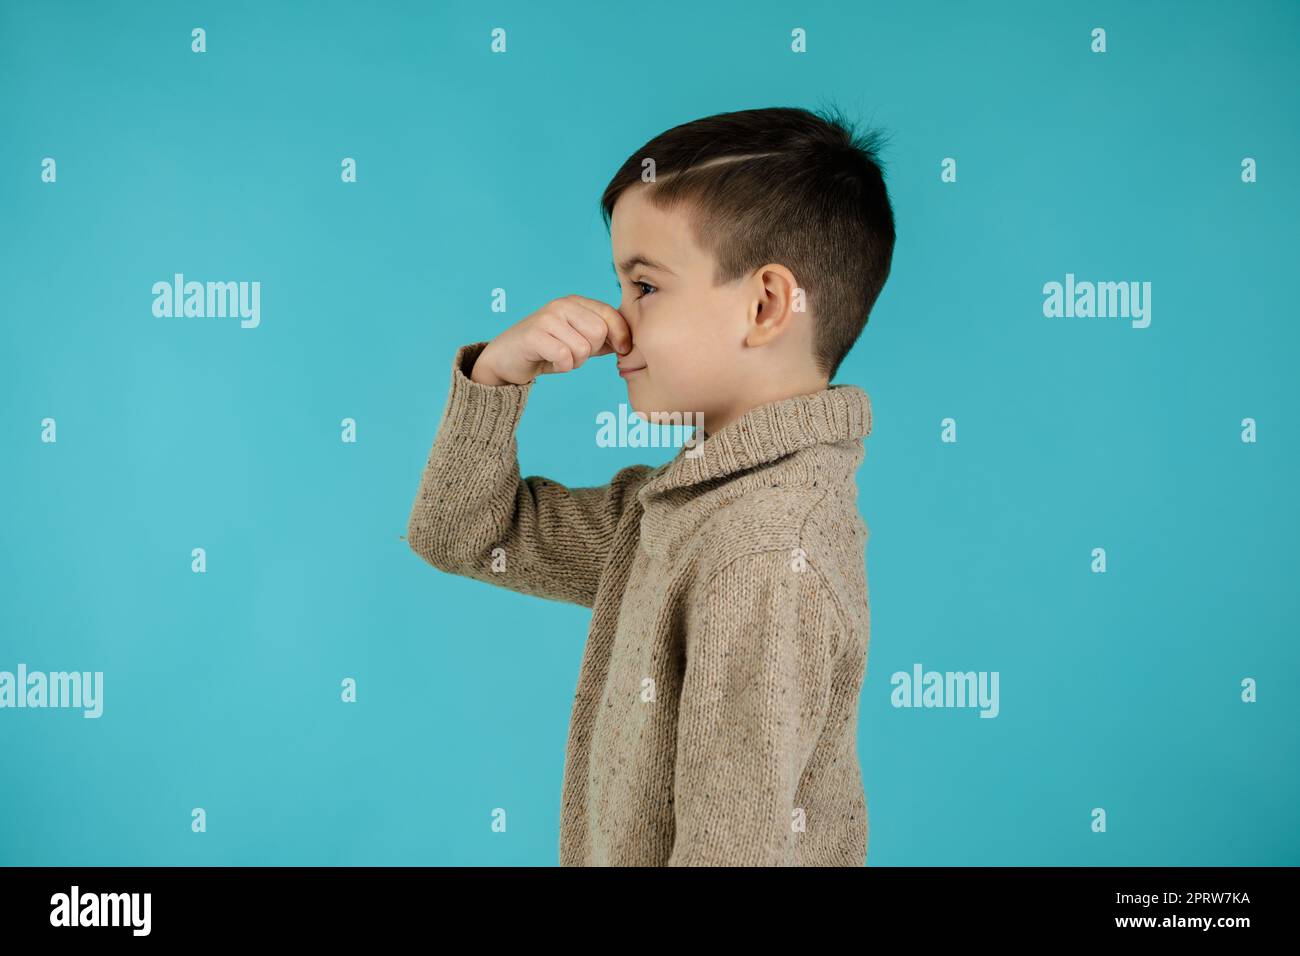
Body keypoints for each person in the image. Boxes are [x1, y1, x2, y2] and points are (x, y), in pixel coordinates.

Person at [407, 104, 895, 866]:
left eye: (645, 285)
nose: (617, 324)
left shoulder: (762, 550)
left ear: (766, 305)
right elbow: (469, 535)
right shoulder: (679, 509)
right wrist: (496, 377)